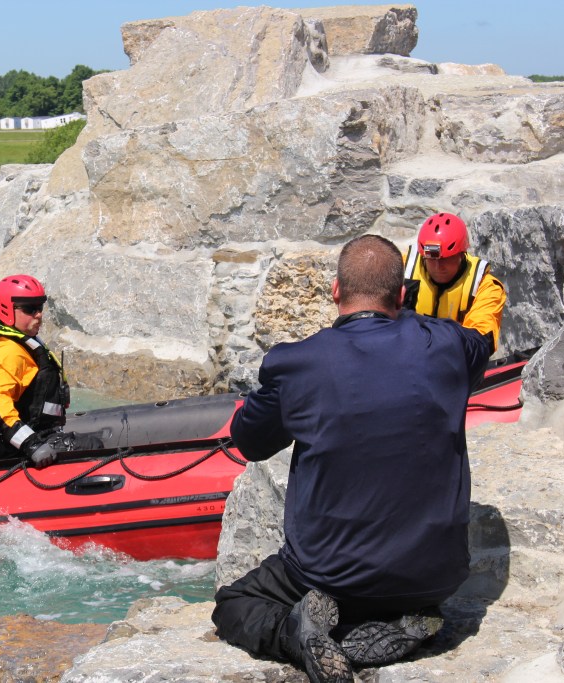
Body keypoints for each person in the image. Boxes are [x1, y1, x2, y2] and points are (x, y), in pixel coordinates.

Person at [211, 235, 492, 682]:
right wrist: (412, 317)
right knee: (406, 593)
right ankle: (396, 627)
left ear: (335, 292)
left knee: (233, 605)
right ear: (402, 294)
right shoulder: (449, 346)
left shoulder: (296, 364)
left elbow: (251, 443)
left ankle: (296, 633)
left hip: (331, 578)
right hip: (435, 577)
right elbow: (481, 343)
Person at [0, 274, 71, 468]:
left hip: (36, 434)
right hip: (4, 449)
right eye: (30, 309)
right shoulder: (6, 351)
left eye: (39, 307)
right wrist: (31, 444)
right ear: (8, 309)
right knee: (94, 445)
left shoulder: (21, 341)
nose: (38, 314)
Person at [402, 212, 506, 354]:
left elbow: (480, 344)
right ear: (423, 255)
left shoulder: (487, 288)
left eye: (446, 259)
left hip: (454, 363)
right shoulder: (401, 268)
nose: (439, 267)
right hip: (407, 356)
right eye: (432, 259)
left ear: (461, 255)